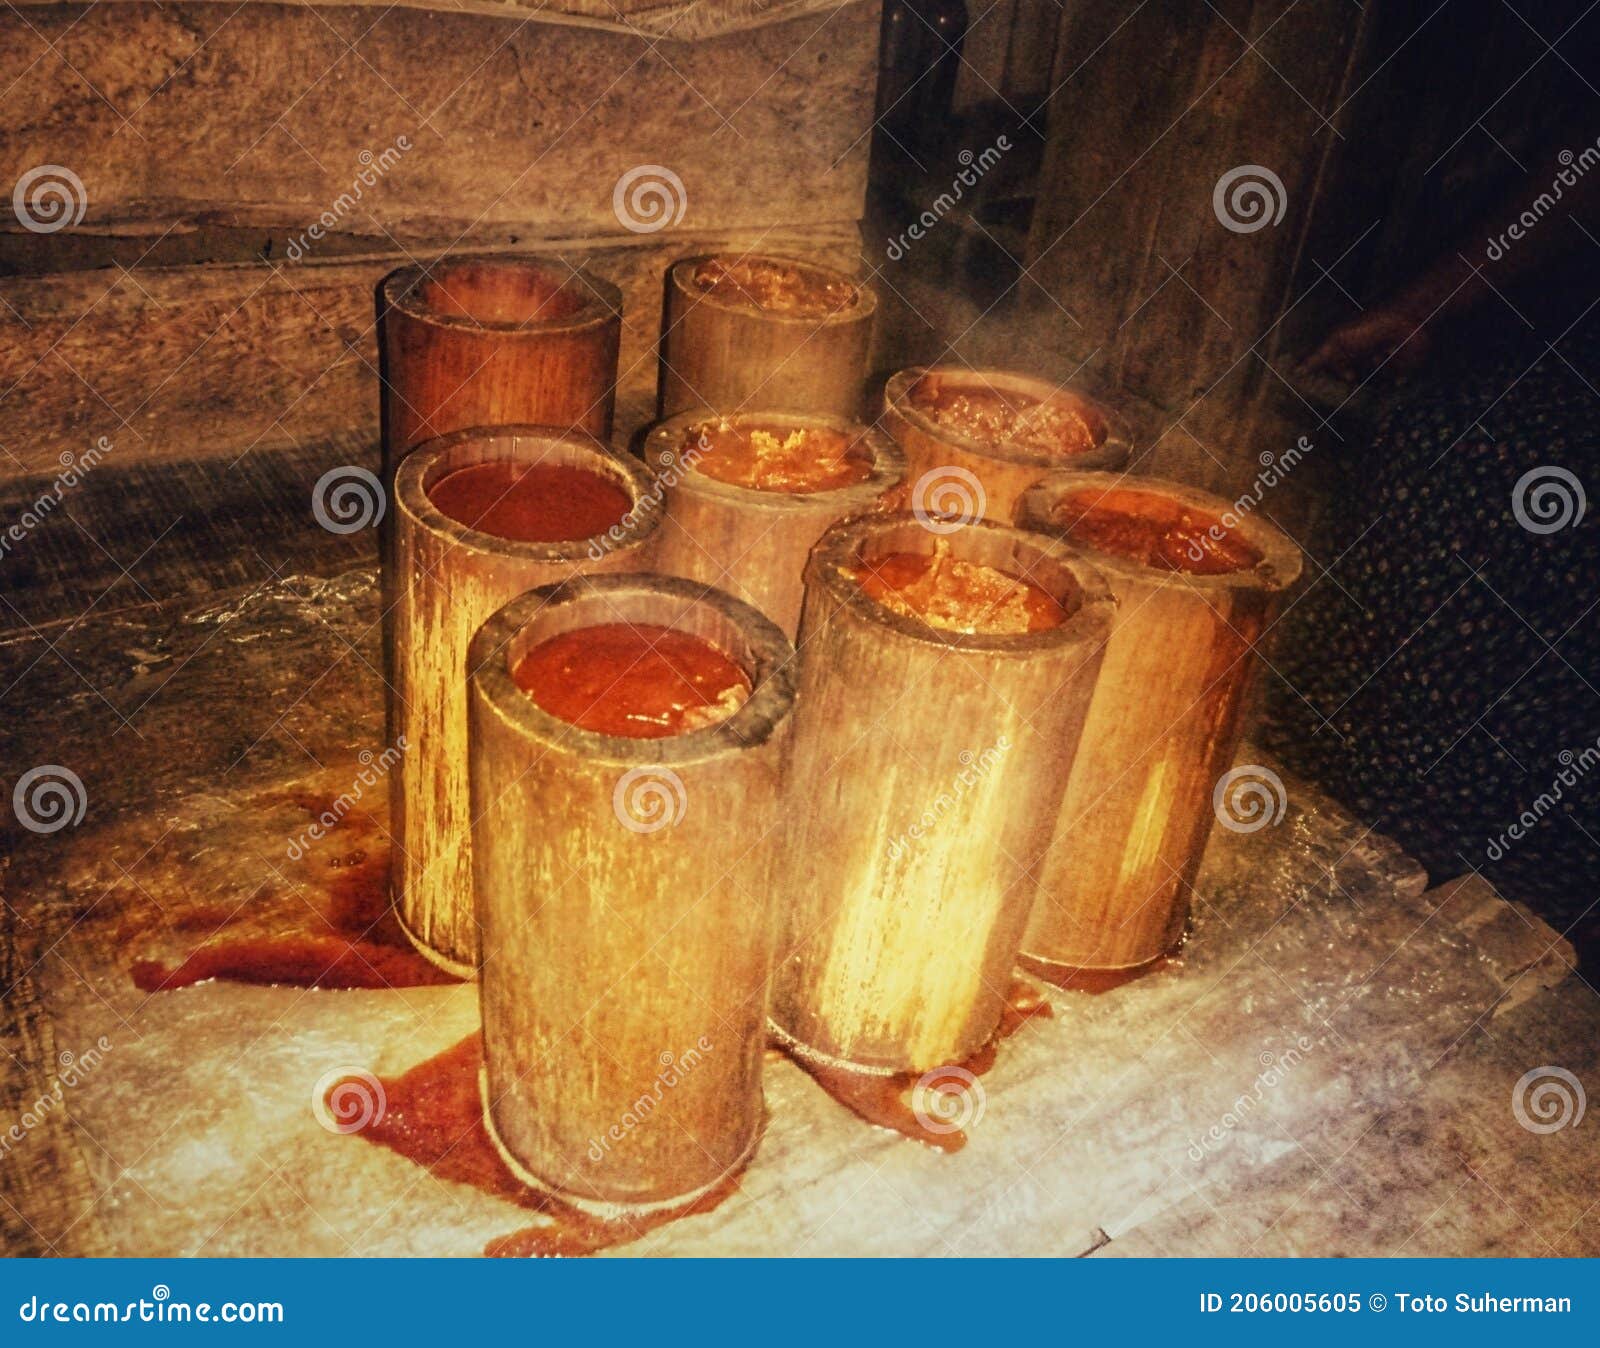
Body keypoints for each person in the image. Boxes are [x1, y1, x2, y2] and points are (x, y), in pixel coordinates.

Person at [1267, 140, 1599, 963]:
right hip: (1541, 389)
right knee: (1438, 456)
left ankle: (1494, 949)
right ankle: (1326, 868)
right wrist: (1425, 306)